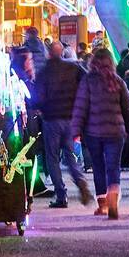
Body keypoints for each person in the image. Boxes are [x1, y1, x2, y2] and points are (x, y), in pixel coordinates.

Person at [71, 47, 129, 218]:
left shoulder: (87, 81)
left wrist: (76, 130)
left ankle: (103, 204)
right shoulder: (118, 81)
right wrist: (127, 128)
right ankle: (113, 193)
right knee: (114, 167)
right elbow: (128, 107)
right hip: (116, 131)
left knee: (98, 167)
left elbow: (80, 107)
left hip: (94, 132)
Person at [35, 41, 94, 208]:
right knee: (70, 155)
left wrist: (40, 108)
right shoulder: (73, 68)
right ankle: (80, 181)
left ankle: (61, 195)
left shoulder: (44, 72)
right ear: (61, 53)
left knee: (52, 158)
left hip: (51, 119)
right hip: (70, 119)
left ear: (49, 53)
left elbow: (37, 97)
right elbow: (86, 80)